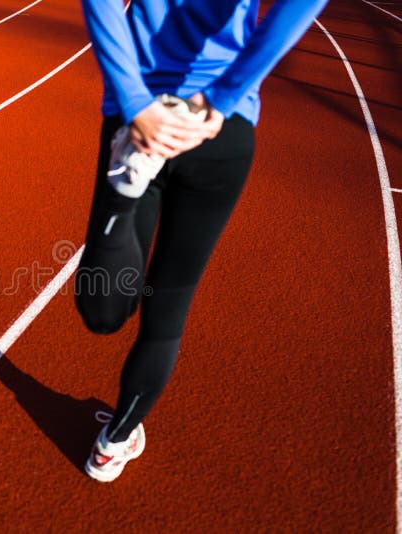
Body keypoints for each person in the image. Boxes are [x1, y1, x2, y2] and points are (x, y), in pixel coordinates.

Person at [74, 0, 328, 482]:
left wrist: (132, 101)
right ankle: (114, 443)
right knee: (169, 304)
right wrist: (224, 96)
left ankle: (123, 199)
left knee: (104, 314)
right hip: (218, 128)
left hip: (139, 116)